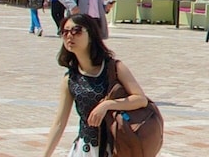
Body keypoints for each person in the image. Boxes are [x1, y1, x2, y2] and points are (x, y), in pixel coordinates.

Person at [42, 14, 162, 157]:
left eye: (76, 30)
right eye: (65, 32)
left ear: (91, 35)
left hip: (116, 146)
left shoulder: (114, 68)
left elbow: (140, 100)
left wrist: (107, 105)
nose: (70, 36)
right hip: (86, 148)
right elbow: (59, 123)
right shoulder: (70, 79)